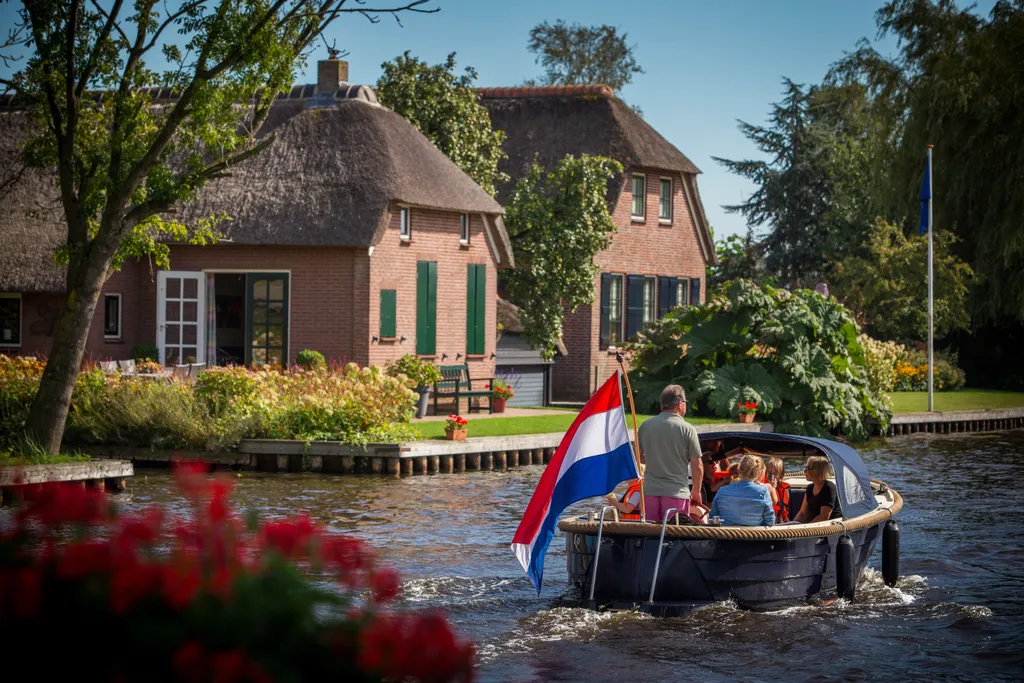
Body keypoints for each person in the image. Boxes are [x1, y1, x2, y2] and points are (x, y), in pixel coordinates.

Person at [637, 385, 703, 522]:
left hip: (649, 492)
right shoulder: (687, 429)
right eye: (685, 403)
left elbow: (638, 458)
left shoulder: (645, 426)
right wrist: (696, 490)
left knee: (650, 535)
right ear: (680, 404)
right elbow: (697, 465)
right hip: (676, 492)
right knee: (674, 536)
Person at [708, 454, 774, 526]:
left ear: (739, 470)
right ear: (758, 473)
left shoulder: (722, 491)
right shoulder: (763, 492)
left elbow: (712, 517)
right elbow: (770, 521)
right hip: (753, 535)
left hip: (726, 535)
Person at [794, 455, 842, 522]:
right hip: (813, 527)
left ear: (816, 471)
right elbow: (802, 514)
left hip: (830, 528)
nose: (804, 471)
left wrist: (807, 529)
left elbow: (824, 517)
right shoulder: (809, 488)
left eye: (807, 468)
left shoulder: (829, 488)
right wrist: (792, 525)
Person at [764, 457, 791, 523]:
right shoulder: (763, 487)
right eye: (770, 473)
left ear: (780, 476)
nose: (772, 476)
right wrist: (772, 488)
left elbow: (783, 509)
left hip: (780, 520)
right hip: (768, 521)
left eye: (775, 474)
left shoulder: (784, 489)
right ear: (765, 473)